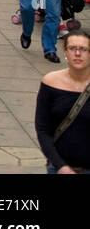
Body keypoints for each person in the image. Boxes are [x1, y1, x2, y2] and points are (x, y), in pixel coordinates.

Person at [35, 23, 90, 174]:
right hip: (58, 168)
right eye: (72, 48)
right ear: (65, 52)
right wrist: (61, 166)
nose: (77, 54)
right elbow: (43, 130)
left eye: (83, 49)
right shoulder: (50, 82)